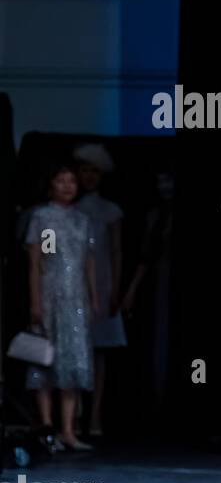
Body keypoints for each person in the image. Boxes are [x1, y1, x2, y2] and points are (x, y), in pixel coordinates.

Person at [25, 161, 99, 452]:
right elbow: (37, 262)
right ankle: (47, 428)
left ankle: (68, 430)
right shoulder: (43, 217)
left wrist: (93, 296)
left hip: (76, 296)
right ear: (51, 185)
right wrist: (36, 300)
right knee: (47, 358)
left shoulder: (82, 219)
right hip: (51, 293)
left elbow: (89, 261)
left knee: (74, 360)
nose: (67, 186)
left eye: (72, 181)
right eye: (61, 180)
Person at [72, 142, 128, 438]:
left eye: (94, 171)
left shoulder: (110, 211)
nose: (89, 176)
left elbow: (117, 251)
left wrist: (115, 287)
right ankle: (74, 415)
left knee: (100, 352)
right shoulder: (71, 209)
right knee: (74, 349)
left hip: (103, 281)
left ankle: (95, 415)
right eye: (85, 170)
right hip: (73, 282)